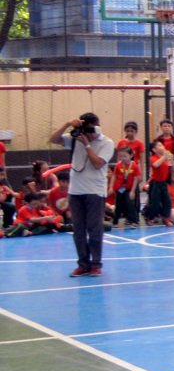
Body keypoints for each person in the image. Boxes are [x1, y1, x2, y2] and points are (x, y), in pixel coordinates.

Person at [51, 112, 109, 276]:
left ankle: (96, 264)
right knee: (79, 231)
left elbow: (98, 164)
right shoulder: (76, 139)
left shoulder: (106, 142)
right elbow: (54, 139)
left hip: (95, 192)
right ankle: (83, 264)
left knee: (95, 229)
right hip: (75, 191)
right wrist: (67, 124)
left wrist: (87, 146)